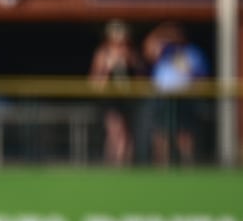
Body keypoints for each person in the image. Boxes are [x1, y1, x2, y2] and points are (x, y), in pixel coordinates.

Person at [140, 21, 208, 165]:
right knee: (160, 132)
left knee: (184, 132)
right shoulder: (163, 52)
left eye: (174, 36)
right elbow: (148, 49)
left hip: (184, 97)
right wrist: (159, 34)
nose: (171, 39)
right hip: (162, 96)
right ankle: (162, 166)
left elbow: (201, 75)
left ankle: (187, 164)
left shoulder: (191, 52)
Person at [89, 19, 143, 166]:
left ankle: (125, 165)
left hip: (127, 97)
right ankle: (114, 165)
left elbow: (140, 76)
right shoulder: (103, 53)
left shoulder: (131, 53)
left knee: (127, 133)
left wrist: (130, 62)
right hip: (110, 98)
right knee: (115, 131)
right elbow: (95, 81)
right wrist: (108, 67)